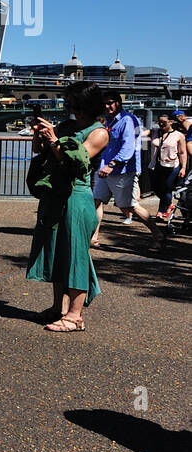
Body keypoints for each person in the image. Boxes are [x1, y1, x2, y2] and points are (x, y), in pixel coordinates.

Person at [26, 81, 109, 331]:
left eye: (76, 105)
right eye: (70, 105)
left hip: (77, 196)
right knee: (57, 252)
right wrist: (39, 136)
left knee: (76, 254)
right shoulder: (66, 126)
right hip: (56, 195)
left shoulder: (99, 133)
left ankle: (75, 316)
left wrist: (53, 139)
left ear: (87, 106)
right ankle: (57, 308)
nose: (72, 110)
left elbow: (77, 162)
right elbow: (42, 153)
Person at [90, 90, 160, 245]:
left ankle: (158, 234)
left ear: (118, 103)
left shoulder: (127, 120)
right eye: (105, 104)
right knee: (96, 201)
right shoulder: (110, 121)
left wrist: (112, 164)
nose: (107, 106)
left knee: (130, 206)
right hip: (105, 169)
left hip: (122, 170)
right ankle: (93, 237)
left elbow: (128, 147)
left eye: (110, 103)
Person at [149, 114, 187, 219]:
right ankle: (169, 203)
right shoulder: (155, 132)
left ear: (171, 122)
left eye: (164, 122)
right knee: (156, 188)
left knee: (166, 187)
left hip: (172, 166)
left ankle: (161, 210)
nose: (161, 124)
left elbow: (182, 153)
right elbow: (139, 133)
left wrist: (183, 167)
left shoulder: (179, 135)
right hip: (155, 165)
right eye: (159, 122)